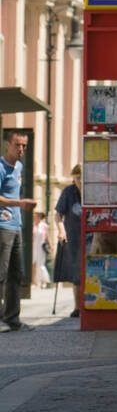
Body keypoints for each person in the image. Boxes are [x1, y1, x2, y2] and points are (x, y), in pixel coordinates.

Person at [0, 129, 37, 330]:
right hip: (2, 226)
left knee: (16, 273)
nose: (21, 149)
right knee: (1, 273)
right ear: (7, 144)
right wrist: (19, 203)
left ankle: (12, 319)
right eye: (17, 145)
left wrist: (19, 208)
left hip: (16, 225)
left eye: (24, 145)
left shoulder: (20, 166)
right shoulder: (1, 167)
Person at [54, 165, 84, 316]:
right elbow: (58, 214)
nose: (80, 181)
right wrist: (61, 230)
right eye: (78, 178)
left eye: (83, 178)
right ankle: (78, 307)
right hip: (73, 236)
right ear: (73, 177)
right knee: (76, 273)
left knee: (90, 270)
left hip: (91, 236)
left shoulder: (93, 191)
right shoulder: (68, 192)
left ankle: (91, 304)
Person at [32, 212, 50, 287]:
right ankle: (33, 281)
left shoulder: (44, 226)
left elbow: (47, 236)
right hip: (33, 246)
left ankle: (44, 281)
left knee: (41, 264)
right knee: (33, 264)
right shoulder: (32, 225)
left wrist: (50, 246)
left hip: (41, 247)